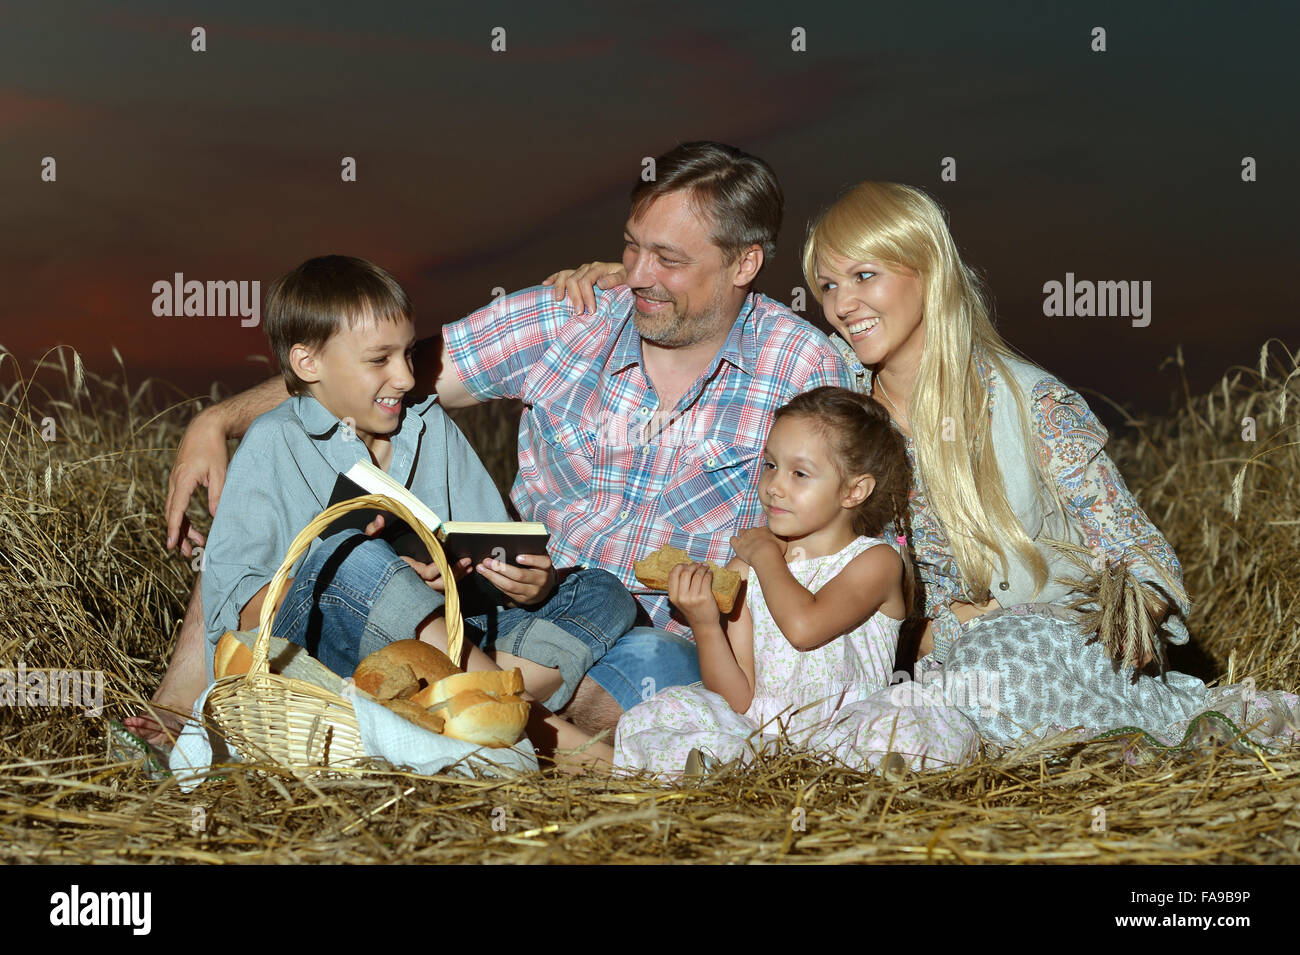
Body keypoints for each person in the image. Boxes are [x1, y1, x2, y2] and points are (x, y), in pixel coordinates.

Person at [132, 142, 856, 746]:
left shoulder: (804, 370)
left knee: (656, 674)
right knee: (294, 500)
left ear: (745, 265)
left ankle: (444, 714)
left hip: (661, 631)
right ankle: (205, 705)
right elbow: (376, 367)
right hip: (516, 614)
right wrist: (219, 419)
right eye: (630, 248)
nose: (636, 276)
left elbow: (845, 535)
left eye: (667, 259)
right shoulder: (566, 318)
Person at [552, 181, 1300, 752]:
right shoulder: (837, 395)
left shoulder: (1031, 401)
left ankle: (1161, 725)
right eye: (829, 286)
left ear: (928, 271)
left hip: (1041, 645)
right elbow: (723, 321)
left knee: (1000, 663)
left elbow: (1150, 570)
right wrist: (629, 285)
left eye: (866, 276)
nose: (843, 304)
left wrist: (1013, 618)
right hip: (903, 666)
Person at [199, 255, 634, 767]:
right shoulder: (273, 440)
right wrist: (380, 584)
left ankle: (441, 710)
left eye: (407, 353)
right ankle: (559, 746)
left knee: (603, 591)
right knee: (350, 557)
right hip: (315, 658)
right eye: (379, 359)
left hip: (436, 644)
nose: (406, 377)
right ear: (307, 364)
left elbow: (487, 547)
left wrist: (522, 582)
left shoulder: (429, 429)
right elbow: (236, 610)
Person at [615, 387, 979, 777]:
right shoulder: (747, 568)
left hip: (847, 734)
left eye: (799, 473)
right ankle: (726, 773)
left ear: (855, 491)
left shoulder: (875, 561)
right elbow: (736, 700)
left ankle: (873, 780)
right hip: (761, 740)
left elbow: (804, 628)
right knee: (660, 715)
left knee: (912, 716)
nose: (774, 485)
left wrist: (767, 556)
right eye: (770, 465)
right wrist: (705, 624)